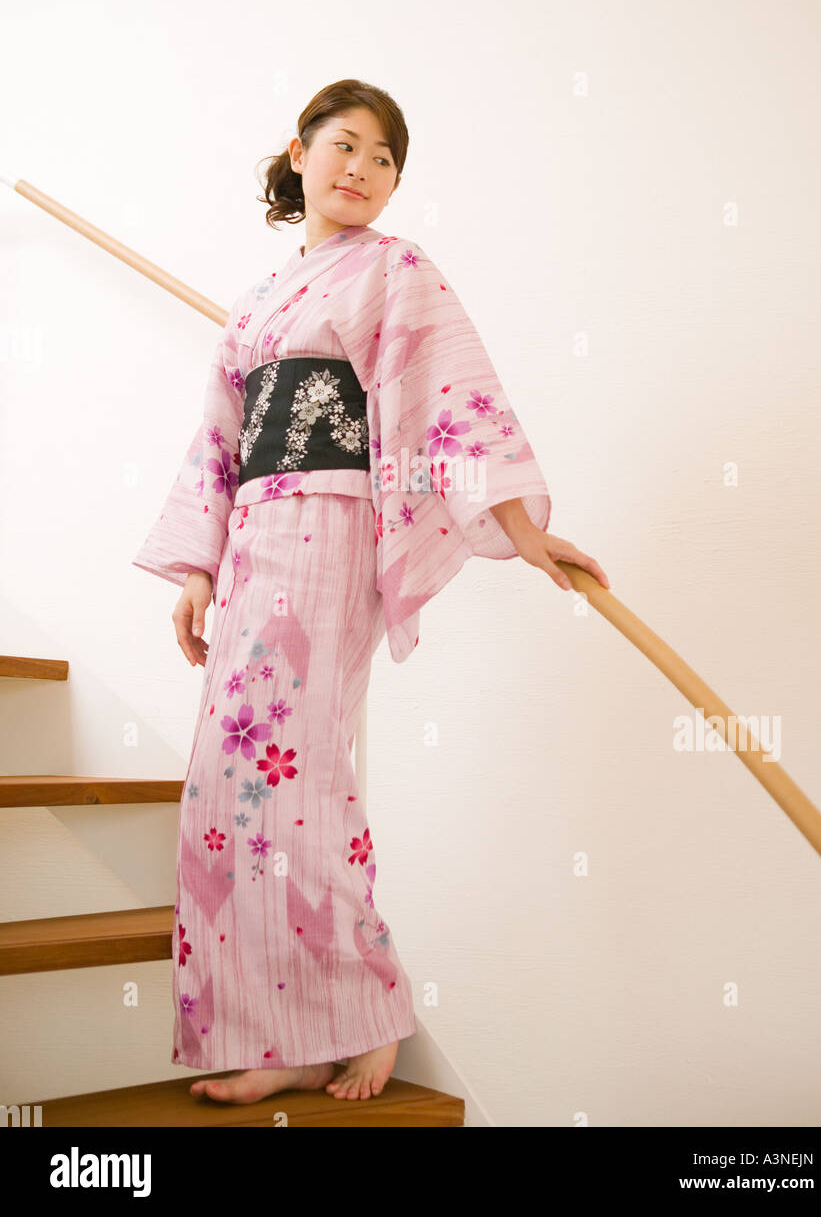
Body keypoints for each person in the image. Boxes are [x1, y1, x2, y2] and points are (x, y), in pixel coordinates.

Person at [132, 78, 610, 1106]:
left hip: (332, 528)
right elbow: (219, 442)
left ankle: (364, 1009)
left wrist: (526, 534)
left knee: (292, 781)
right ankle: (291, 1031)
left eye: (385, 158)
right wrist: (198, 571)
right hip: (257, 536)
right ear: (298, 151)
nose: (362, 169)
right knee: (228, 791)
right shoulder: (256, 301)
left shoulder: (396, 272)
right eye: (345, 145)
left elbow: (454, 404)